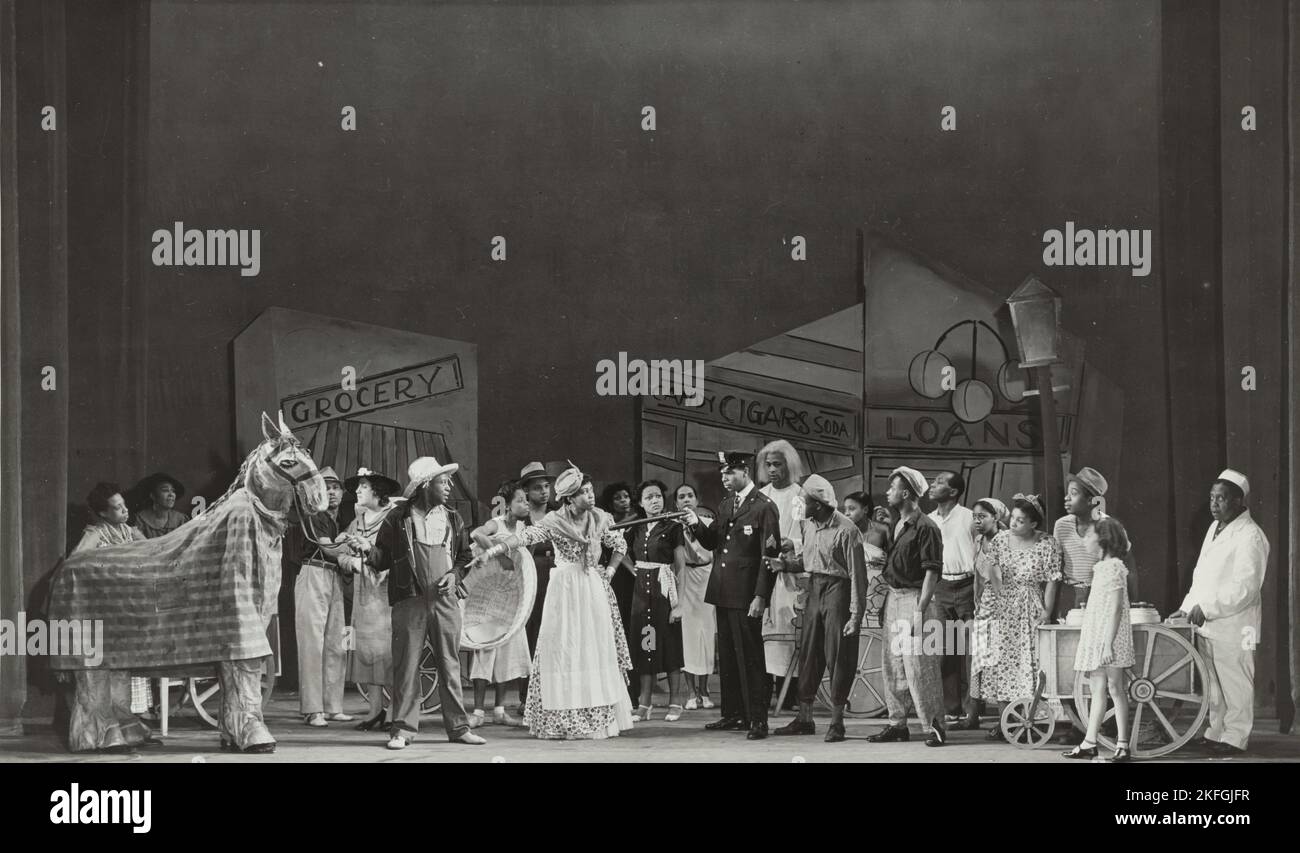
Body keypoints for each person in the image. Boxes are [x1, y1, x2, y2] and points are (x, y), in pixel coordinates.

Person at [472, 463, 633, 740]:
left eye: (591, 490)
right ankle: (565, 716)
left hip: (592, 588)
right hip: (565, 589)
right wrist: (493, 550)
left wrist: (609, 570)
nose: (591, 496)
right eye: (584, 492)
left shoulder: (599, 518)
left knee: (594, 648)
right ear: (570, 498)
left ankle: (598, 715)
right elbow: (522, 537)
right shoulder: (554, 522)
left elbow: (619, 545)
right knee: (565, 649)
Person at [367, 456, 485, 748]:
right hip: (410, 599)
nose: (448, 486)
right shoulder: (398, 518)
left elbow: (464, 558)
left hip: (444, 599)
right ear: (425, 486)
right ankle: (403, 730)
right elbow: (381, 560)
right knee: (406, 666)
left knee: (450, 663)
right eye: (442, 481)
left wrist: (455, 576)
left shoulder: (452, 517)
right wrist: (365, 550)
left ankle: (459, 728)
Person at [1170, 469, 1270, 757]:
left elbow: (1245, 588)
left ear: (1238, 501)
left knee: (1235, 680)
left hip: (1237, 625)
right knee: (1214, 682)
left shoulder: (1251, 536)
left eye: (1222, 498)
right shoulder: (1215, 529)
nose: (1214, 504)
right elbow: (1202, 576)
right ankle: (1216, 732)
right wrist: (1186, 607)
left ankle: (1236, 737)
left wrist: (1208, 607)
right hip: (1209, 623)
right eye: (1212, 498)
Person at [682, 451, 779, 740]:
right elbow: (714, 543)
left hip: (746, 593)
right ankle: (734, 714)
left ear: (745, 471)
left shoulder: (763, 507)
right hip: (723, 590)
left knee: (750, 657)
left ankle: (758, 719)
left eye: (730, 473)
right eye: (722, 474)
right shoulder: (726, 505)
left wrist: (761, 596)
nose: (724, 478)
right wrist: (695, 524)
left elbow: (768, 556)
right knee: (728, 657)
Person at [770, 475, 867, 743]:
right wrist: (786, 565)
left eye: (804, 500)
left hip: (839, 590)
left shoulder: (847, 530)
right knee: (809, 653)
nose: (800, 503)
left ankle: (837, 722)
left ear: (819, 503)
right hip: (815, 588)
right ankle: (804, 718)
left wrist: (856, 615)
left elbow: (859, 576)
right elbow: (808, 559)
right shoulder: (808, 525)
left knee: (839, 655)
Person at [971, 495, 1062, 741]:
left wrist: (1047, 611)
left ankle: (1029, 718)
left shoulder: (1048, 543)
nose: (1013, 524)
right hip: (1003, 606)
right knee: (1001, 662)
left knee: (1029, 662)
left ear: (1033, 524)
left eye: (1021, 521)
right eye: (1013, 518)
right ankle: (1005, 723)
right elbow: (992, 568)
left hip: (1031, 605)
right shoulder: (1000, 539)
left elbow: (1053, 581)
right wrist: (1000, 597)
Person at [868, 467, 947, 747]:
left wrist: (919, 611)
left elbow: (931, 573)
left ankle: (934, 726)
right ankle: (897, 724)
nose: (888, 492)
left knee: (920, 666)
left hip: (915, 598)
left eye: (892, 488)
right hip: (894, 596)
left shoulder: (926, 527)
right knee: (893, 664)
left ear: (905, 493)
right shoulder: (899, 524)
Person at [70, 483, 154, 737]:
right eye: (117, 508)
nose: (124, 510)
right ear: (104, 513)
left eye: (124, 505)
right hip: (102, 608)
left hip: (127, 609)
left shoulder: (132, 533)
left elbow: (155, 553)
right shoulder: (96, 533)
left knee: (122, 669)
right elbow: (75, 561)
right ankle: (100, 729)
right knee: (102, 669)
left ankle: (125, 724)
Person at [336, 467, 403, 732]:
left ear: (378, 491)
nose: (357, 491)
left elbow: (399, 554)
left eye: (363, 486)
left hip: (387, 595)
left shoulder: (394, 518)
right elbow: (339, 553)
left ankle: (395, 711)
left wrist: (380, 568)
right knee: (366, 651)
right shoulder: (358, 521)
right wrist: (353, 563)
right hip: (364, 597)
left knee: (388, 653)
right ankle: (375, 708)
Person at [1064, 517, 1135, 762]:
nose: (1085, 540)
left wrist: (1107, 644)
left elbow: (1115, 609)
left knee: (1115, 688)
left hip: (1111, 638)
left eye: (1088, 535)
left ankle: (1123, 745)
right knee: (1097, 689)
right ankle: (1089, 742)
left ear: (1102, 539)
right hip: (1098, 635)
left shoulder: (1114, 566)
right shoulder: (1102, 567)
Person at [466, 480, 533, 728]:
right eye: (520, 500)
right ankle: (478, 711)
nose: (525, 504)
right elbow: (476, 534)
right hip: (490, 593)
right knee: (485, 650)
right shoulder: (498, 523)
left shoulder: (526, 527)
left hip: (512, 596)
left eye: (526, 500)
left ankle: (500, 709)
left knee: (506, 653)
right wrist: (500, 553)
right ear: (508, 504)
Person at [291, 466, 353, 727]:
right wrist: (352, 542)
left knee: (336, 642)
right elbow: (329, 550)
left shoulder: (337, 519)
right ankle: (313, 709)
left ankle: (333, 706)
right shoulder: (315, 514)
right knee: (312, 643)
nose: (332, 492)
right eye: (326, 487)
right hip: (314, 574)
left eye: (336, 487)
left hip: (334, 578)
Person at [627, 479, 688, 722]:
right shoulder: (636, 528)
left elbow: (681, 567)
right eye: (649, 497)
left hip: (665, 593)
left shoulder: (673, 527)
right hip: (641, 595)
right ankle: (645, 704)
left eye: (658, 496)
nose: (655, 501)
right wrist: (635, 570)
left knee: (670, 647)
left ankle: (675, 702)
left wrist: (680, 604)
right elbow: (618, 549)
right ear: (641, 503)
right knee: (646, 647)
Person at [928, 471, 979, 730]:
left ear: (953, 492)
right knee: (946, 650)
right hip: (941, 586)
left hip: (968, 586)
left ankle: (973, 711)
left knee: (971, 651)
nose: (932, 485)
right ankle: (951, 709)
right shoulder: (928, 521)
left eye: (938, 482)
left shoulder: (969, 517)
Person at [756, 440, 806, 700]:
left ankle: (790, 693)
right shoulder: (763, 495)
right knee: (768, 630)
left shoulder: (799, 497)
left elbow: (804, 533)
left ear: (789, 465)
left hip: (791, 572)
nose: (773, 469)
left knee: (789, 629)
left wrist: (791, 543)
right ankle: (766, 689)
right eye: (769, 464)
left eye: (778, 464)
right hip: (765, 571)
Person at [518, 461, 557, 715]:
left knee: (552, 632)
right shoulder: (520, 517)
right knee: (529, 635)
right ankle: (527, 697)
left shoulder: (559, 514)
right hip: (529, 577)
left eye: (546, 486)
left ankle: (553, 694)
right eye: (537, 488)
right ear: (526, 492)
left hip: (555, 577)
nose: (544, 492)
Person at [599, 480, 642, 706]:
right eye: (617, 497)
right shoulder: (604, 523)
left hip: (635, 581)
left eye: (626, 496)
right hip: (615, 581)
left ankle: (633, 694)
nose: (623, 500)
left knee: (632, 636)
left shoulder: (640, 520)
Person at [674, 483, 716, 710]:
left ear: (697, 500)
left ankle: (705, 689)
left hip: (707, 575)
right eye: (681, 497)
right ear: (676, 503)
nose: (686, 499)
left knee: (706, 633)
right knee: (688, 634)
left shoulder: (708, 524)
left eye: (690, 495)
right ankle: (691, 691)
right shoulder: (673, 528)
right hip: (685, 576)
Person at [1052, 466, 1109, 618]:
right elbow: (1056, 566)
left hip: (1099, 596)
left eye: (1074, 493)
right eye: (1067, 493)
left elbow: (1126, 568)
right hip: (1069, 595)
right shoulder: (1061, 525)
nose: (1066, 498)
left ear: (1090, 500)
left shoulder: (1108, 526)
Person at [970, 497, 1009, 606]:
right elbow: (978, 578)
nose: (977, 521)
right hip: (985, 602)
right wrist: (977, 600)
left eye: (982, 516)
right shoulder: (978, 541)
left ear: (995, 517)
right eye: (974, 517)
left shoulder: (1006, 541)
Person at [130, 472, 189, 539]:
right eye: (165, 490)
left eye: (173, 491)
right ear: (153, 496)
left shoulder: (181, 519)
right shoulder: (140, 520)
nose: (171, 494)